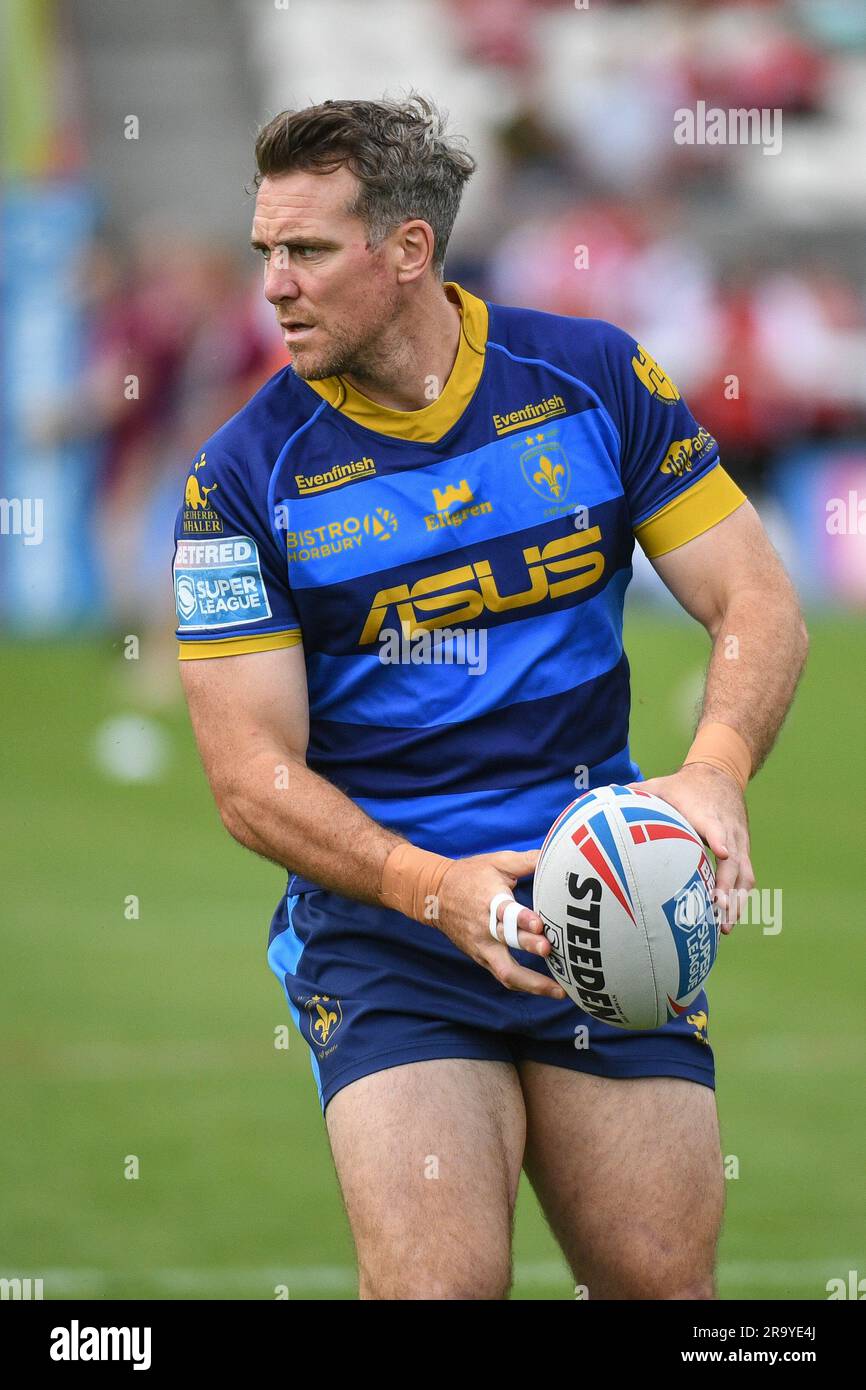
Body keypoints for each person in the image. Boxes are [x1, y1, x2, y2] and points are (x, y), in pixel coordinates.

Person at [173, 95, 808, 1300]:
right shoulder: (239, 478)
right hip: (388, 934)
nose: (273, 285)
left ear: (406, 250)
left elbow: (757, 605)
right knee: (439, 1289)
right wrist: (428, 887)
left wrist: (715, 767)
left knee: (663, 1292)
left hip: (606, 902)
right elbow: (248, 778)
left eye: (305, 250)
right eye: (266, 251)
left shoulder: (591, 380)